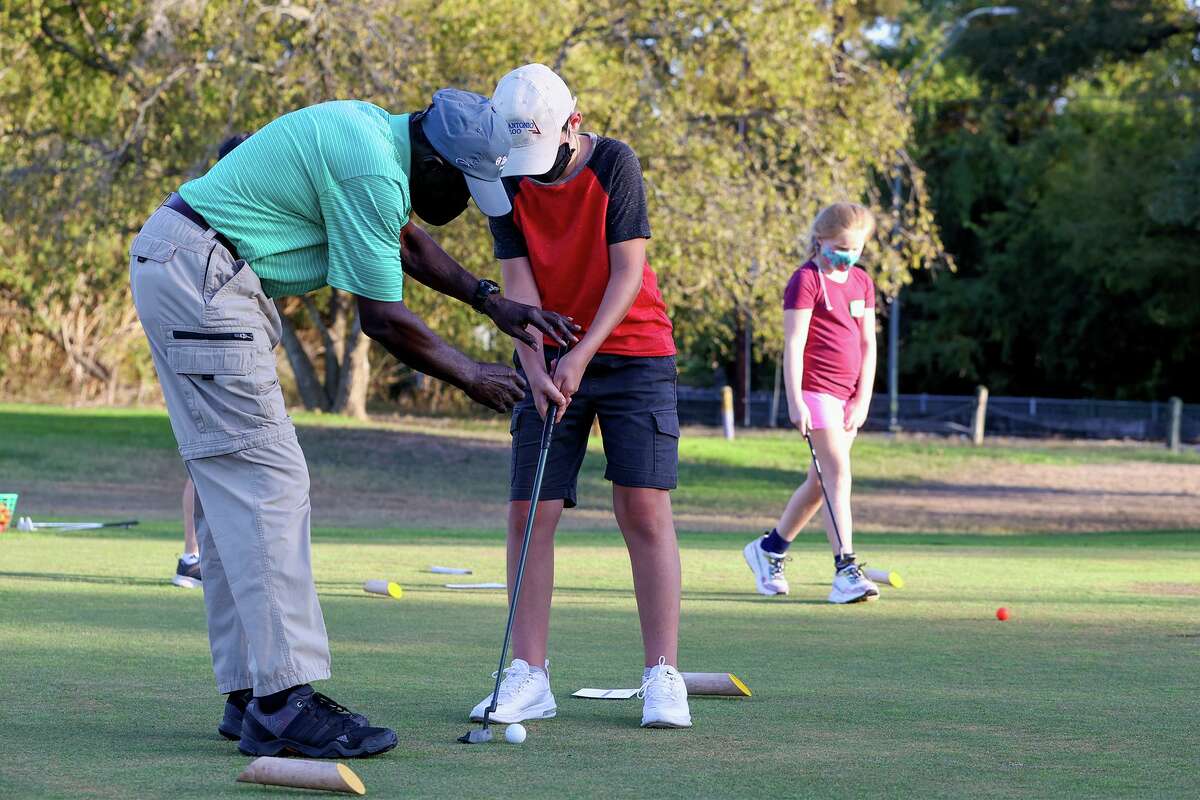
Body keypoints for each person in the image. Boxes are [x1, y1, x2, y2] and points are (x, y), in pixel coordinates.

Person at [129, 90, 577, 759]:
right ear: (433, 159)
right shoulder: (372, 167)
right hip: (205, 277)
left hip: (185, 265)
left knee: (233, 488)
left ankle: (254, 696)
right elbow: (384, 319)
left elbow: (405, 241)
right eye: (462, 181)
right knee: (268, 484)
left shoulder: (373, 136)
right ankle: (285, 705)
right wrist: (473, 375)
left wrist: (492, 302)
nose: (463, 199)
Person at [467, 64, 691, 729]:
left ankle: (663, 677)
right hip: (550, 352)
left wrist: (581, 356)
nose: (533, 171)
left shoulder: (615, 165)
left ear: (575, 121)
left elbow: (628, 274)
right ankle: (529, 676)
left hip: (635, 352)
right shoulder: (505, 175)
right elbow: (518, 287)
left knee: (642, 508)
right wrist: (535, 366)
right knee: (529, 510)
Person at [743, 202, 881, 604]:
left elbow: (869, 345)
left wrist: (863, 399)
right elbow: (794, 344)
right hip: (816, 392)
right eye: (841, 246)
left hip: (847, 398)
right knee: (838, 472)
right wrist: (795, 401)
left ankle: (770, 549)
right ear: (820, 239)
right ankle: (846, 569)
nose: (848, 255)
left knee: (820, 482)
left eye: (855, 248)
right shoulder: (806, 281)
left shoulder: (861, 283)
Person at [170, 135, 249, 591]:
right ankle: (193, 556)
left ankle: (208, 556)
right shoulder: (213, 209)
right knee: (206, 454)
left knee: (220, 453)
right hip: (202, 341)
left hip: (225, 342)